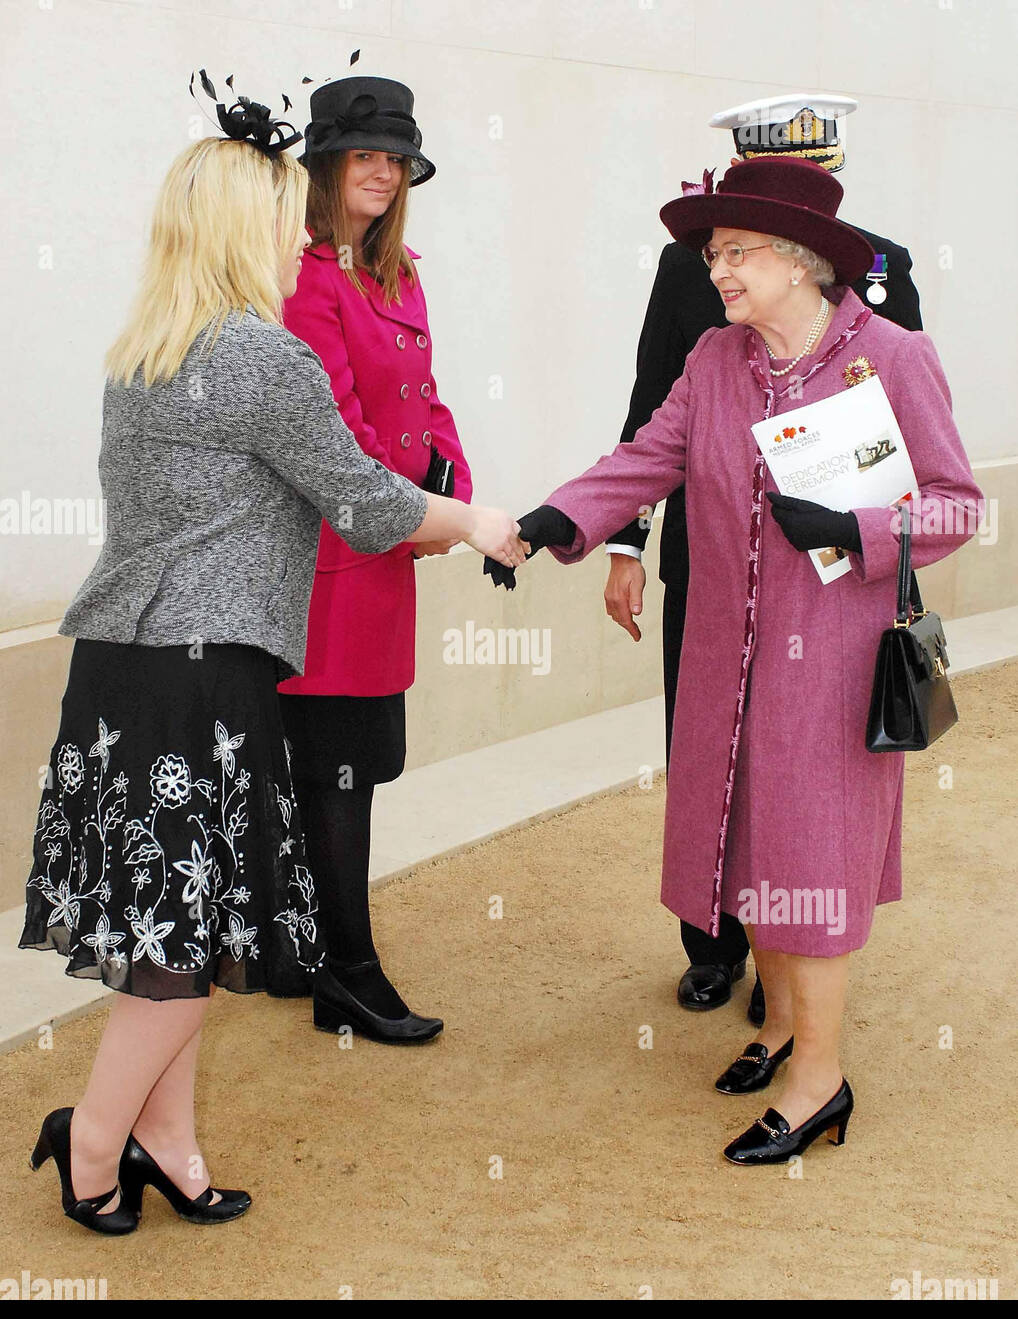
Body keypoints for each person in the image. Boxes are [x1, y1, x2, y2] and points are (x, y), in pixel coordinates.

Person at [21, 88, 526, 1234]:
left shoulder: (140, 353)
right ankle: (90, 1141)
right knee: (180, 953)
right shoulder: (261, 356)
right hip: (202, 677)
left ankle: (169, 1141)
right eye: (282, 215)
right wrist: (481, 521)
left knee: (179, 932)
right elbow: (364, 499)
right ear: (246, 228)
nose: (300, 234)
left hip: (120, 671)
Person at [489, 157, 982, 1162]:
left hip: (833, 664)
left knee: (814, 858)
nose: (716, 271)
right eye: (712, 255)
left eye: (734, 253)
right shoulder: (717, 358)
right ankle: (780, 1024)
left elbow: (957, 505)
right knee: (750, 842)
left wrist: (856, 528)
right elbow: (647, 457)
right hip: (725, 653)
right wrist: (555, 521)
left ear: (798, 260)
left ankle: (820, 1080)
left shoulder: (891, 356)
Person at [603, 95, 923, 1026]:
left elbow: (910, 449)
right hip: (711, 564)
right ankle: (714, 947)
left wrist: (871, 540)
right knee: (710, 755)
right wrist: (623, 539)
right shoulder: (693, 275)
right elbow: (653, 406)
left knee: (799, 780)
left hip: (827, 579)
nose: (724, 267)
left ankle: (787, 988)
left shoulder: (881, 272)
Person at [268, 77, 468, 1043]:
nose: (385, 172)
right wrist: (427, 508)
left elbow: (428, 402)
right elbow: (334, 434)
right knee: (335, 766)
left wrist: (452, 490)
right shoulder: (306, 277)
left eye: (397, 158)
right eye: (366, 156)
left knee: (353, 762)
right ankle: (346, 970)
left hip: (385, 549)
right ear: (326, 167)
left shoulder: (398, 272)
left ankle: (300, 950)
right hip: (330, 564)